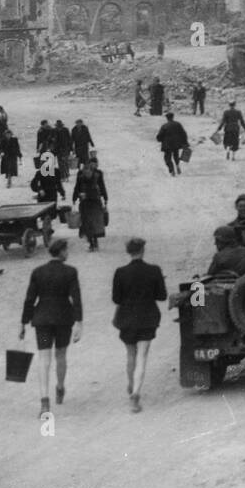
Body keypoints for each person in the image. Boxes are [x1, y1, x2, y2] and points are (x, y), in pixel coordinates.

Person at [19, 238, 83, 417]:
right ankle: (60, 387)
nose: (67, 253)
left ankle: (44, 401)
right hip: (63, 320)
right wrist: (79, 322)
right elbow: (76, 299)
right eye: (66, 250)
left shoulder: (38, 272)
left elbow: (30, 299)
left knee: (44, 358)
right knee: (61, 355)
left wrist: (23, 322)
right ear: (61, 252)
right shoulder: (70, 272)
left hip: (43, 322)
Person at [111, 238, 167, 413]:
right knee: (142, 356)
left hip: (126, 318)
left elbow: (116, 299)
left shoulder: (120, 272)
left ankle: (131, 383)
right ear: (143, 250)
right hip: (147, 318)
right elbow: (162, 296)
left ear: (129, 252)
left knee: (131, 355)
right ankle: (135, 393)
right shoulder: (154, 270)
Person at [72, 156, 108, 251]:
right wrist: (74, 198)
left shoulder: (97, 175)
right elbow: (77, 187)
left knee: (94, 224)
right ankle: (91, 242)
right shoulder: (80, 176)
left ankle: (94, 242)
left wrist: (105, 197)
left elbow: (101, 186)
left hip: (95, 202)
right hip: (84, 204)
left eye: (89, 171)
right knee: (86, 224)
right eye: (86, 171)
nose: (87, 173)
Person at [155, 111, 189, 177]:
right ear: (173, 117)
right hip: (176, 144)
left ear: (167, 118)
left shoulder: (164, 126)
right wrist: (185, 142)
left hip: (167, 145)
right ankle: (177, 165)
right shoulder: (178, 124)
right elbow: (183, 133)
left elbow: (159, 136)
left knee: (167, 158)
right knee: (176, 155)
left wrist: (160, 140)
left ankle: (171, 170)